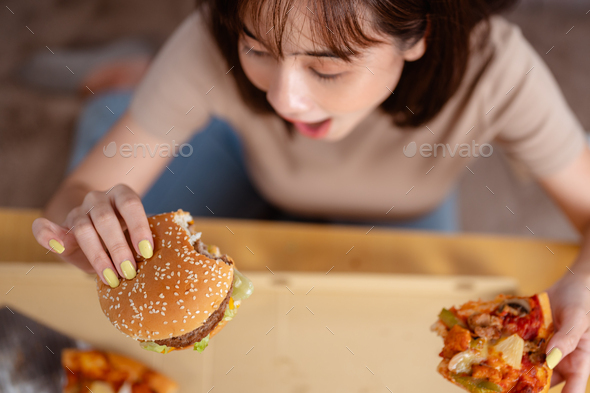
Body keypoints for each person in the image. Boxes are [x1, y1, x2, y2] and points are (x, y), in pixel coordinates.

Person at [32, 1, 590, 390]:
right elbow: (71, 199)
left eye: (327, 67)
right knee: (113, 124)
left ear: (417, 34)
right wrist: (86, 221)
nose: (286, 99)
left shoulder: (499, 67)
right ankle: (132, 77)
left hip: (404, 210)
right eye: (257, 50)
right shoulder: (210, 38)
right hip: (251, 167)